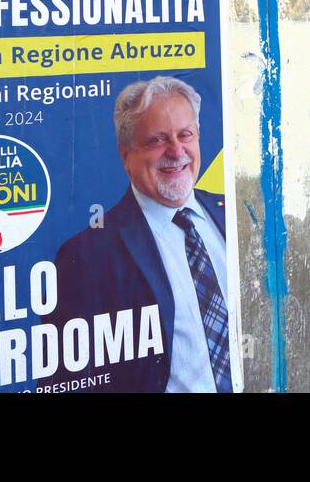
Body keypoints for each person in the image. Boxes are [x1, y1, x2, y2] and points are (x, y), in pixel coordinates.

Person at [43, 76, 231, 392]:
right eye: (157, 140)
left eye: (186, 135)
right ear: (125, 155)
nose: (176, 151)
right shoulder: (87, 254)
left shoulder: (236, 215)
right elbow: (72, 383)